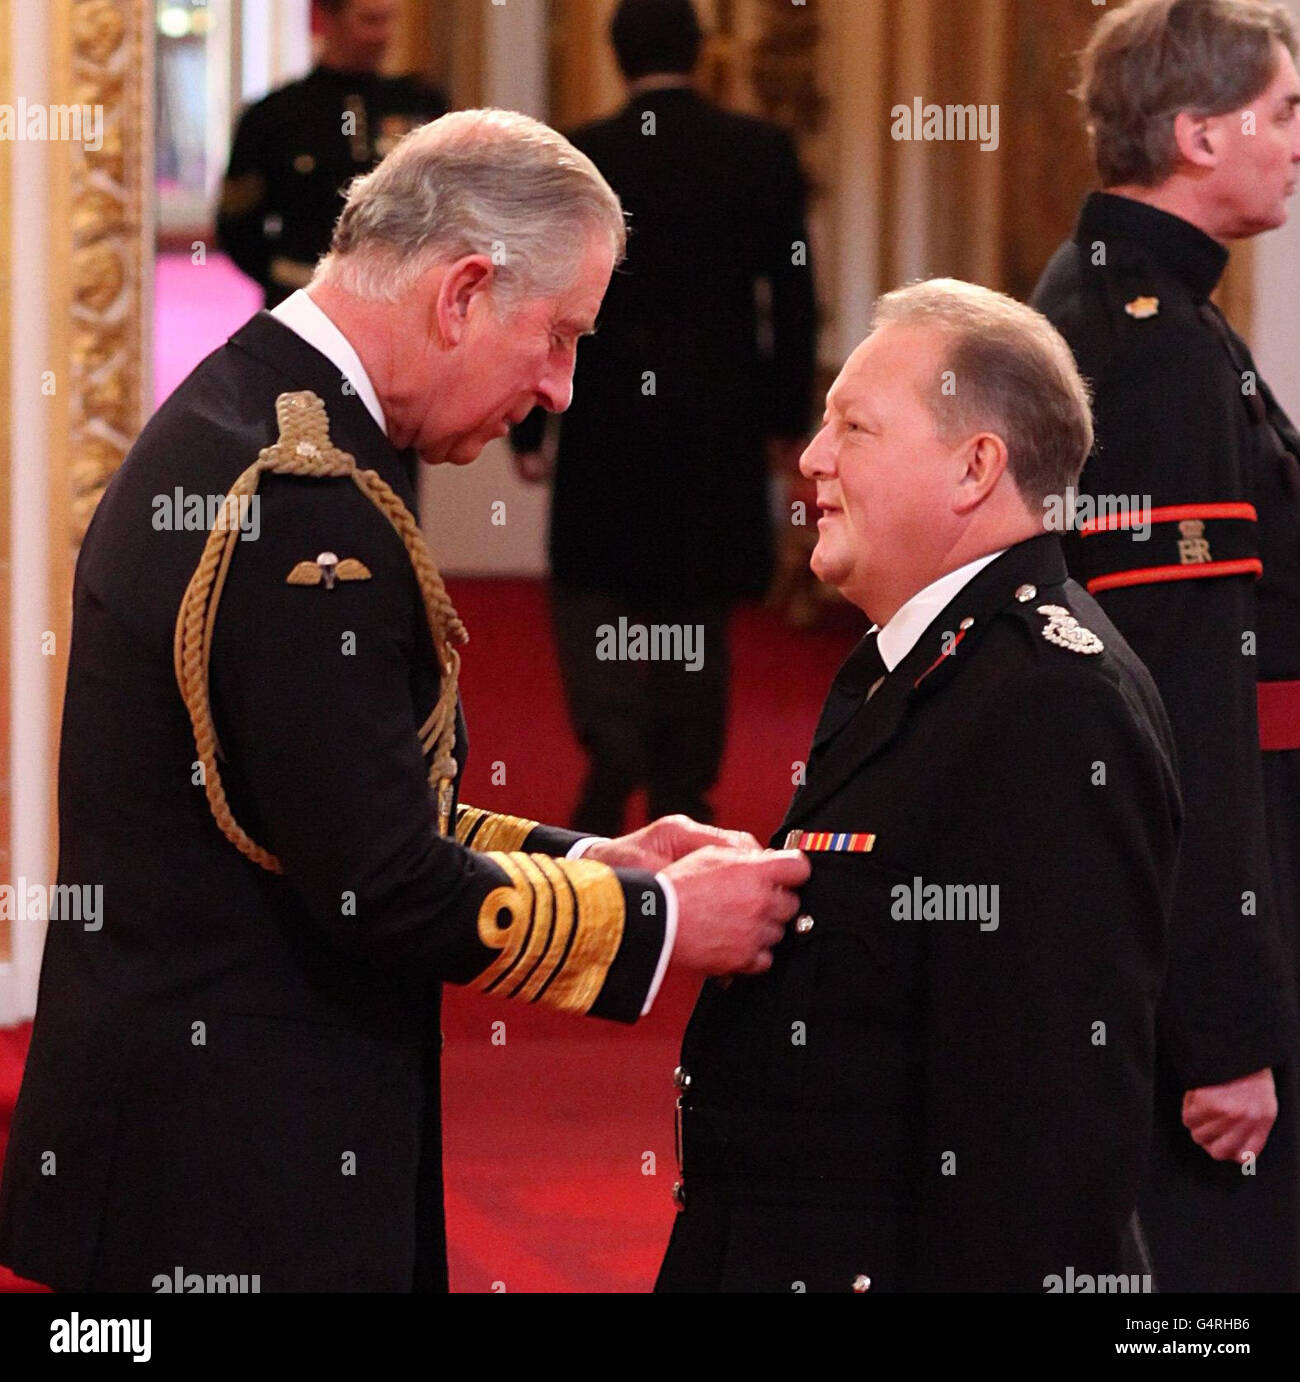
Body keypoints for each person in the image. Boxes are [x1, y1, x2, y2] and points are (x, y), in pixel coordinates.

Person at [0, 109, 810, 1294]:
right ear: (462, 291)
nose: (562, 387)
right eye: (556, 337)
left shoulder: (268, 429)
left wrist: (609, 865)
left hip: (200, 1135)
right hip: (233, 1179)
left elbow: (348, 798)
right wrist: (664, 927)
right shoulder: (306, 502)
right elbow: (373, 878)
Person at [656, 279, 1182, 1293]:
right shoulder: (928, 661)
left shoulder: (1047, 703)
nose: (812, 459)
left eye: (852, 426)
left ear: (974, 465)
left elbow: (1044, 1132)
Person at [1032, 0, 1300, 1291]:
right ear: (1198, 133)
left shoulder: (1125, 302)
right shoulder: (1158, 352)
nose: (1299, 144)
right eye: (1283, 114)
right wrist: (1227, 1025)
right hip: (1199, 908)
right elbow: (1178, 701)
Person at [510, 0, 817, 834]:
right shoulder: (759, 152)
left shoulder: (581, 158)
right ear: (699, 51)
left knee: (595, 584)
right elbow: (790, 297)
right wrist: (789, 421)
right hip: (718, 414)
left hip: (604, 410)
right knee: (698, 598)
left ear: (615, 56)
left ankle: (612, 741)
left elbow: (541, 299)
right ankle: (684, 781)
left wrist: (530, 424)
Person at [216, 0, 447, 307]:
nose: (382, 35)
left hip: (400, 302)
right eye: (369, 21)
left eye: (388, 21)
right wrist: (290, 277)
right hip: (302, 299)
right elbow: (237, 226)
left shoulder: (421, 105)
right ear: (327, 18)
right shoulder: (274, 115)